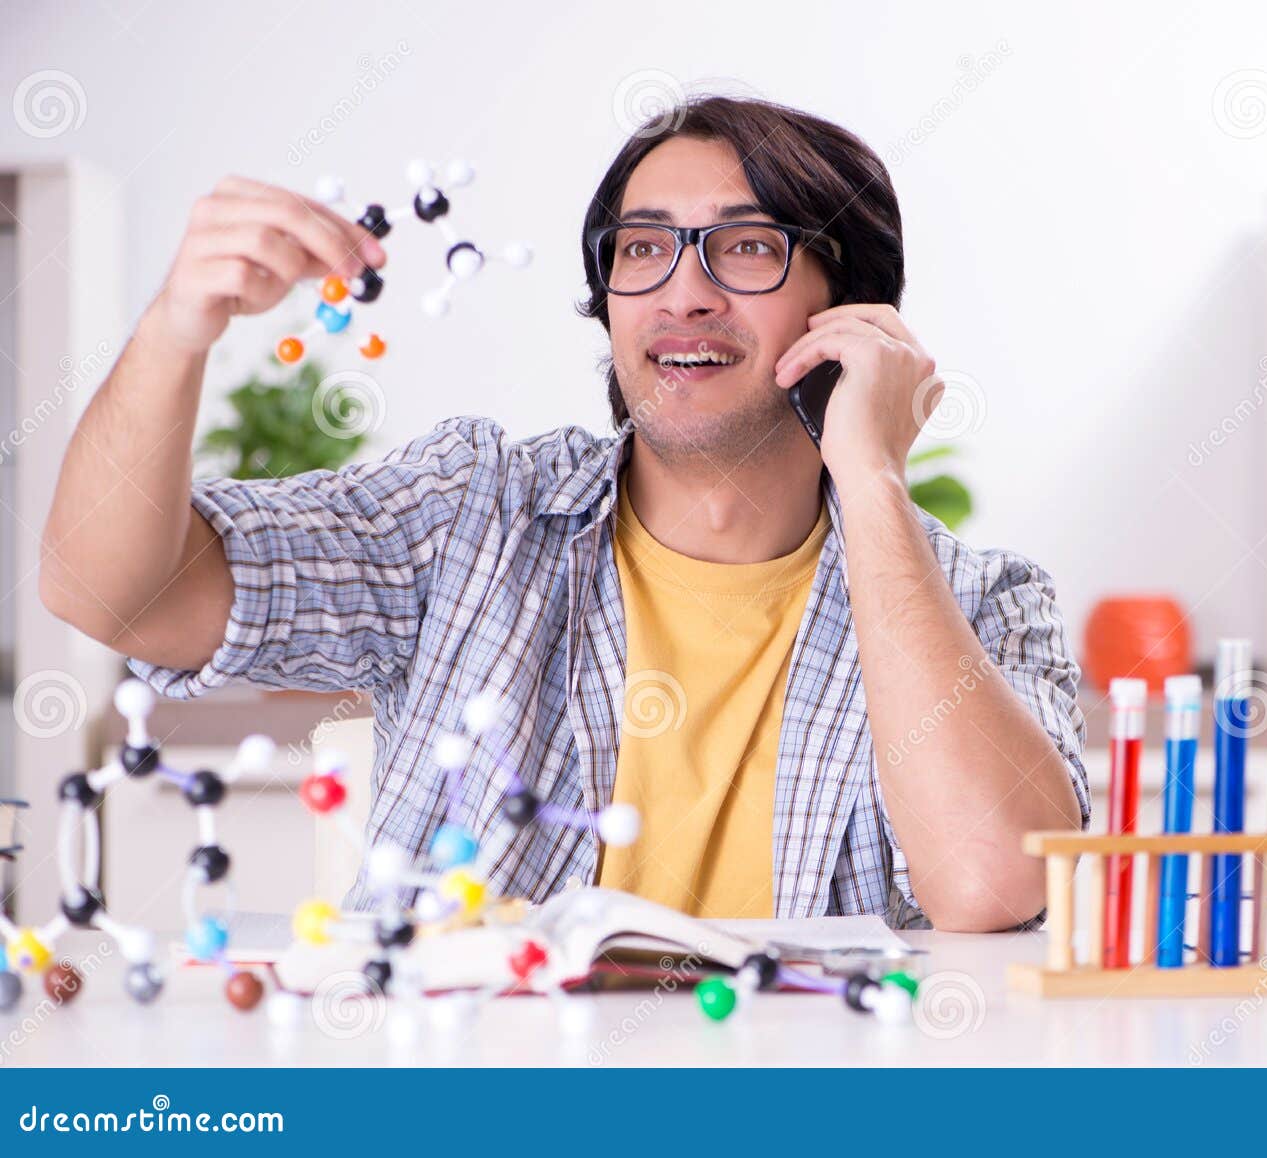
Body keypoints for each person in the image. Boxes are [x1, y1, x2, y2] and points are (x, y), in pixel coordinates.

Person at [39, 95, 1088, 931]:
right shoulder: (472, 515)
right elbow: (112, 596)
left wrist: (870, 479)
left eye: (747, 247)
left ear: (853, 311)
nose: (684, 294)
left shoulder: (981, 603)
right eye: (642, 249)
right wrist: (181, 326)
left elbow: (994, 888)